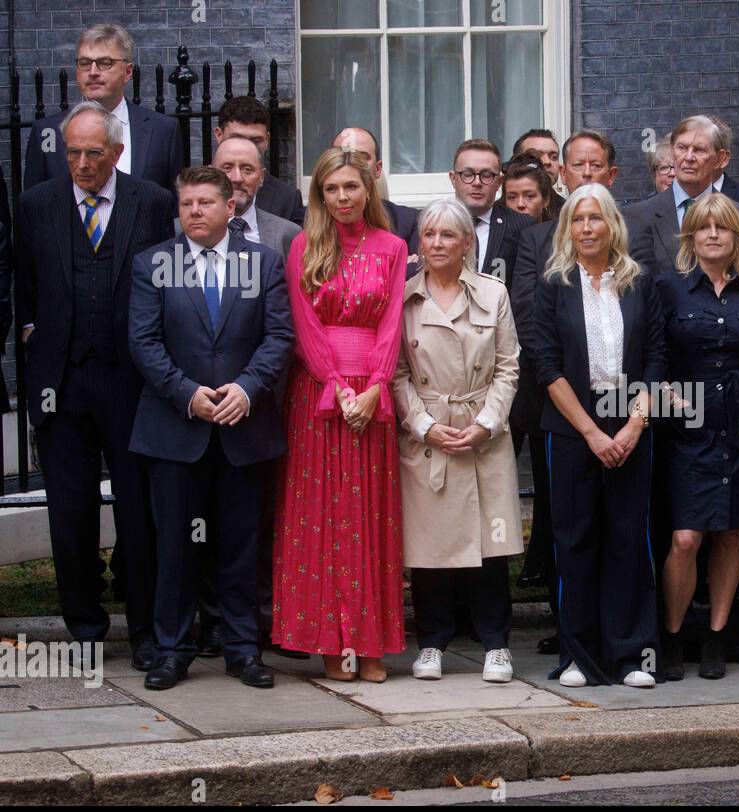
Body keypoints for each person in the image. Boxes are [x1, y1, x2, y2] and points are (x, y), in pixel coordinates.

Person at [14, 100, 173, 671]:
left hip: (132, 382)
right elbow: (24, 282)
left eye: (93, 153)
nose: (81, 163)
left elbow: (165, 281)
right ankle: (84, 628)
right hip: (62, 380)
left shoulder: (151, 203)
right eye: (73, 151)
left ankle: (148, 632)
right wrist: (34, 334)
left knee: (141, 510)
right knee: (70, 512)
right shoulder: (37, 205)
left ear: (117, 153)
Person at [128, 165, 294, 690]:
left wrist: (246, 389)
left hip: (244, 429)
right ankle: (174, 649)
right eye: (186, 204)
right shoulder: (154, 264)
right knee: (176, 544)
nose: (194, 212)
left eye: (204, 203)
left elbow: (279, 337)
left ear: (230, 208)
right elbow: (144, 342)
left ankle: (243, 648)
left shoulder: (264, 263)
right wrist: (187, 394)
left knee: (241, 544)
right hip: (176, 431)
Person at [272, 147, 408, 683]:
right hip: (318, 394)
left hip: (372, 393)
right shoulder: (305, 246)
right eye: (332, 189)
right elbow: (303, 326)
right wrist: (334, 383)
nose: (343, 198)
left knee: (370, 518)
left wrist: (375, 387)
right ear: (319, 196)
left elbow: (392, 321)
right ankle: (331, 643)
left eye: (351, 186)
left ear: (368, 188)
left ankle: (372, 646)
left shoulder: (393, 247)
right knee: (322, 518)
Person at [526, 183, 663, 688]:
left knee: (629, 539)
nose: (586, 228)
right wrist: (591, 432)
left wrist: (633, 425)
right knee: (575, 541)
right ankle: (578, 656)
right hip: (570, 427)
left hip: (631, 423)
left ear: (612, 225)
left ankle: (630, 656)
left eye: (596, 218)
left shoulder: (639, 282)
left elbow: (655, 358)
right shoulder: (553, 284)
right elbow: (544, 363)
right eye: (577, 219)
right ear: (568, 228)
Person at [393, 198, 523, 683]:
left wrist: (487, 423)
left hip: (482, 433)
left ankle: (496, 644)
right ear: (419, 242)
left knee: (490, 545)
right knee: (431, 549)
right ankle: (431, 642)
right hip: (429, 435)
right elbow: (397, 373)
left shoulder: (493, 294)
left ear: (468, 243)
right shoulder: (404, 298)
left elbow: (509, 366)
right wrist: (423, 425)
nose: (438, 244)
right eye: (430, 235)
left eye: (449, 235)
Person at [659, 193, 739, 680]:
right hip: (688, 427)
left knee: (731, 532)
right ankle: (671, 635)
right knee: (687, 537)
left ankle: (715, 636)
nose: (713, 234)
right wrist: (668, 393)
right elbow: (656, 356)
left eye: (723, 228)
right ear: (691, 235)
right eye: (704, 226)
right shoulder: (668, 287)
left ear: (737, 238)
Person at [510, 130, 621, 654]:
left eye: (596, 165)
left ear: (610, 173)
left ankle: (619, 626)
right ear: (563, 174)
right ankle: (569, 625)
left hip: (626, 403)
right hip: (555, 395)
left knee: (622, 520)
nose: (587, 174)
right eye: (578, 166)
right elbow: (533, 319)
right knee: (563, 518)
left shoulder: (631, 232)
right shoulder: (535, 238)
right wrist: (564, 385)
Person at [25, 24, 182, 193]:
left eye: (105, 63)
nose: (93, 72)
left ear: (128, 72)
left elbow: (175, 207)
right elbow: (33, 208)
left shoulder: (163, 130)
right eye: (84, 63)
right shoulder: (46, 132)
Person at [625, 115, 739, 278]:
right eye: (682, 148)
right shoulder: (637, 218)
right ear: (672, 151)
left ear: (721, 158)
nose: (689, 157)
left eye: (699, 150)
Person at [450, 138, 533, 286]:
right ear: (453, 179)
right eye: (468, 174)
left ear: (499, 183)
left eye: (487, 175)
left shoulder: (522, 228)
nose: (477, 183)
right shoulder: (429, 226)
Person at [214, 95, 304, 224]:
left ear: (267, 139)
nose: (246, 148)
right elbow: (178, 244)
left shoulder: (287, 199)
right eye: (237, 138)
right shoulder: (190, 193)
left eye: (256, 141)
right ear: (219, 135)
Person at [212, 136, 301, 259]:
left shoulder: (288, 234)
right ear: (211, 173)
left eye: (247, 169)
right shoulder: (183, 230)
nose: (237, 178)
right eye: (227, 168)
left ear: (261, 178)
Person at [332, 127, 419, 252]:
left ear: (377, 169)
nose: (350, 164)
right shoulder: (311, 223)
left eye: (361, 157)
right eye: (341, 156)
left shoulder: (407, 222)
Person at [500, 156, 559, 224]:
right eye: (512, 197)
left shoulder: (560, 233)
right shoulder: (494, 233)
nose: (520, 204)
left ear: (545, 200)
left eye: (529, 196)